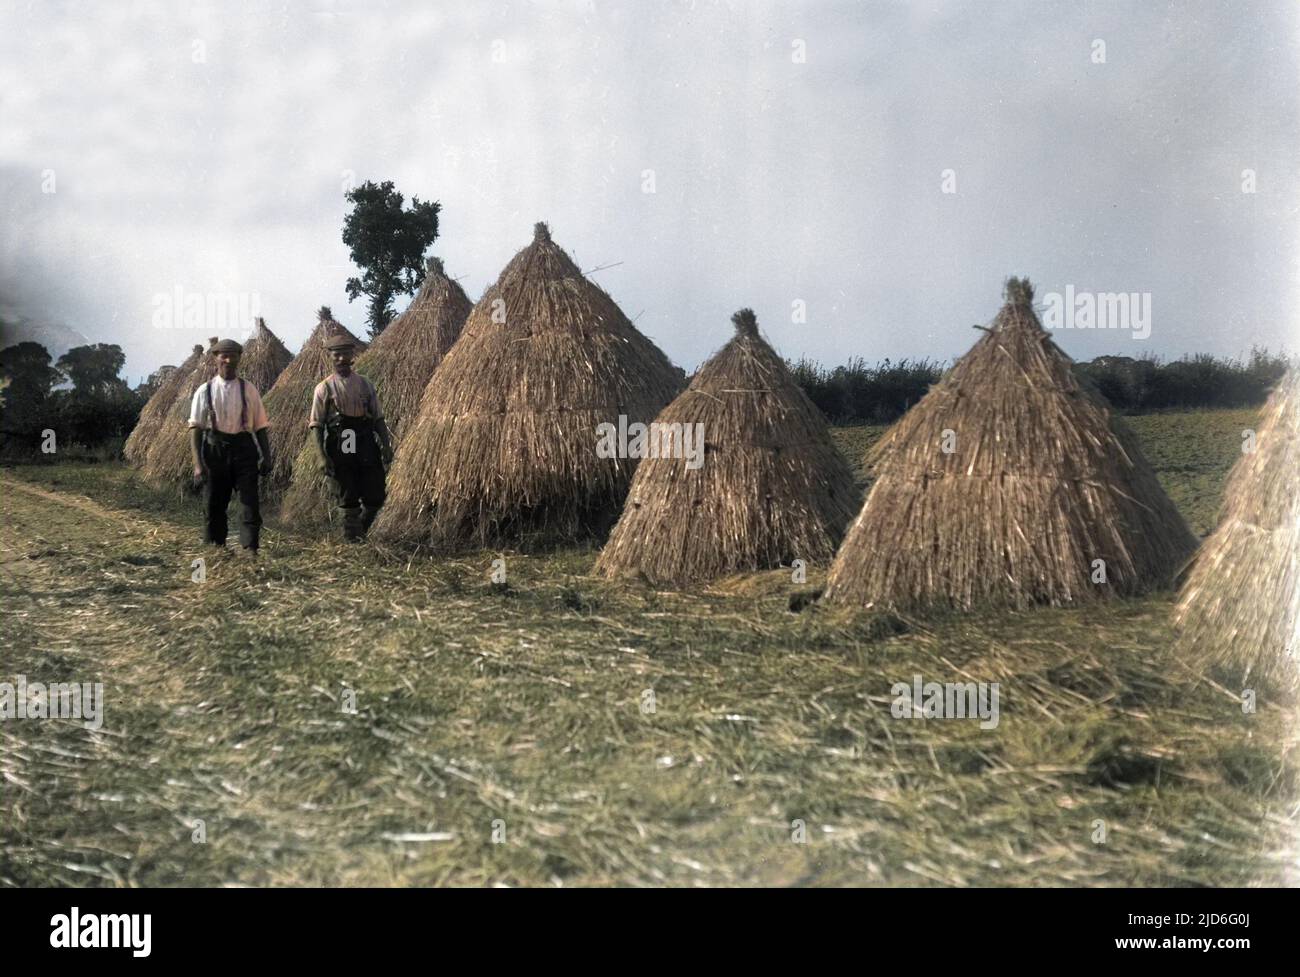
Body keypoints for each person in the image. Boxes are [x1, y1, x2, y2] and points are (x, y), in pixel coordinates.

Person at [188, 338, 272, 556]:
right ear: (215, 359)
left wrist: (266, 456)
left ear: (239, 358)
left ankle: (250, 548)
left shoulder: (249, 390)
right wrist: (198, 464)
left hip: (244, 449)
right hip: (215, 450)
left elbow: (261, 426)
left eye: (233, 355)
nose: (228, 360)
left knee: (249, 501)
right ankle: (215, 547)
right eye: (223, 355)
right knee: (214, 501)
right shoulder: (204, 391)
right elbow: (195, 429)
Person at [309, 335, 393, 542]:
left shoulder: (365, 384)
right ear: (330, 357)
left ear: (352, 355)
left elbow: (378, 418)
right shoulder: (324, 388)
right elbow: (316, 425)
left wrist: (386, 445)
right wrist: (321, 456)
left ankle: (361, 532)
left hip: (365, 438)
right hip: (344, 438)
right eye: (337, 354)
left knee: (376, 494)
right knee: (348, 489)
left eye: (345, 353)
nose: (341, 358)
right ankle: (351, 541)